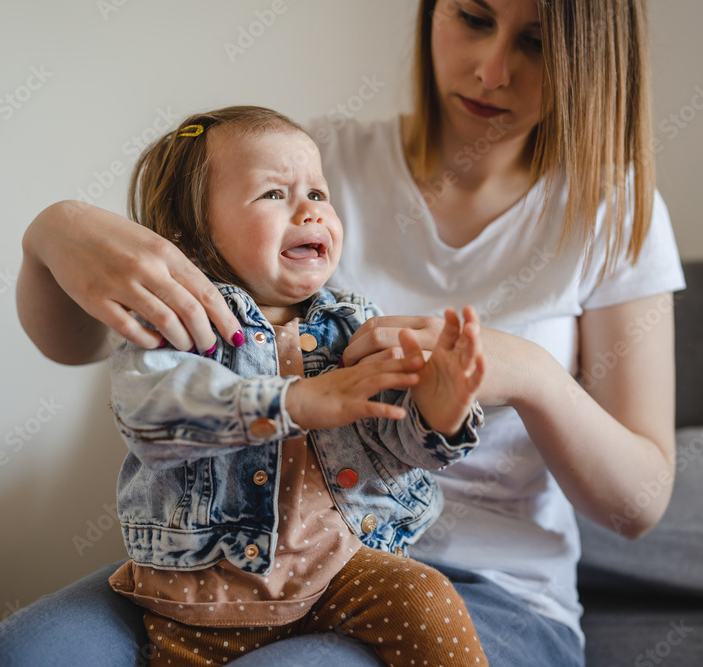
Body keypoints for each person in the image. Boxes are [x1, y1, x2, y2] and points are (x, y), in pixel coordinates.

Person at [0, 1, 684, 665]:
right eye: (472, 17)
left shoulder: (615, 211)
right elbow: (98, 355)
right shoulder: (312, 153)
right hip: (233, 557)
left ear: (593, 54)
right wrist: (51, 235)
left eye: (537, 41)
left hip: (486, 584)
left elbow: (639, 504)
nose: (492, 70)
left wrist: (524, 375)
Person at [107, 104, 488, 666]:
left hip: (342, 566)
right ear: (193, 239)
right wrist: (294, 402)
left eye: (317, 192)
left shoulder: (354, 325)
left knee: (425, 596)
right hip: (208, 592)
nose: (310, 210)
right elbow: (151, 414)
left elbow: (399, 448)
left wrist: (437, 412)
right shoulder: (176, 324)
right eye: (273, 194)